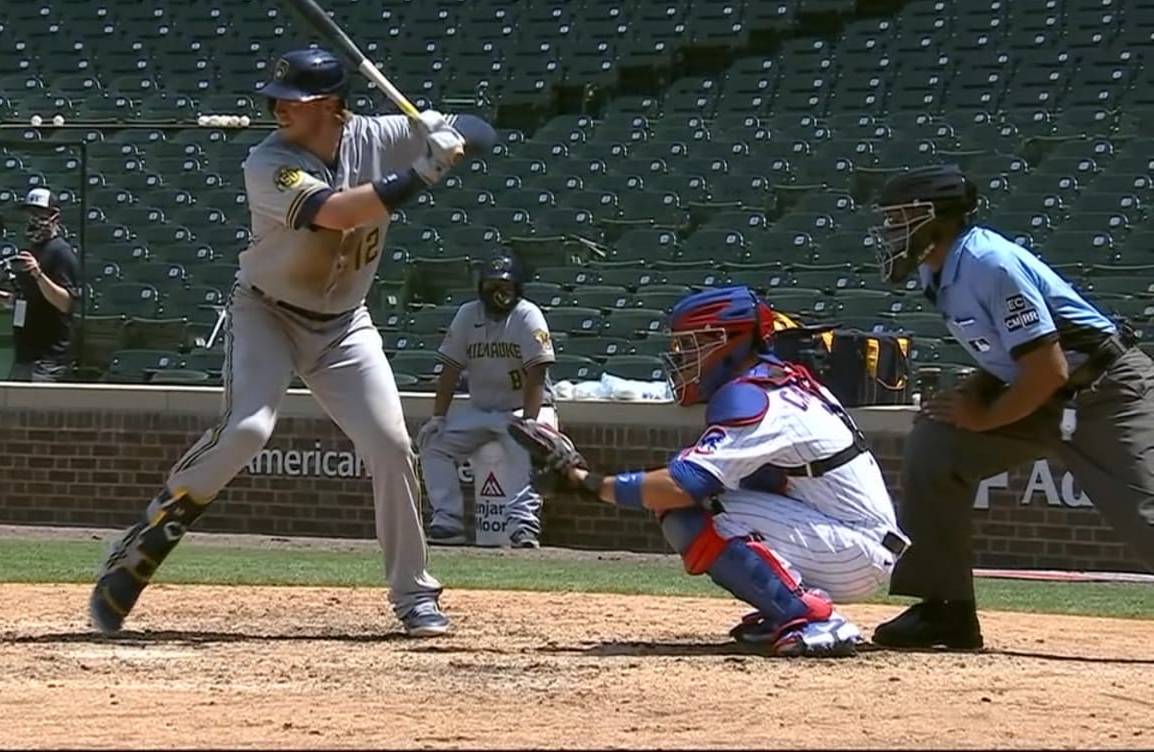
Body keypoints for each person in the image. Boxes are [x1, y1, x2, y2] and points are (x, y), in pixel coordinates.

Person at [87, 47, 497, 637]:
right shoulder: (267, 161)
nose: (277, 107)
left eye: (293, 101)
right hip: (267, 314)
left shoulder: (381, 135)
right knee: (248, 429)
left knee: (389, 444)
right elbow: (336, 213)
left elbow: (482, 130)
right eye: (275, 97)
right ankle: (146, 539)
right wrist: (426, 170)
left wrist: (449, 131)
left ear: (331, 105)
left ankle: (414, 595)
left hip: (344, 324)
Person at [508, 285, 911, 657]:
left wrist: (587, 484)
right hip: (851, 539)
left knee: (692, 510)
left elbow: (682, 486)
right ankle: (785, 605)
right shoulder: (778, 384)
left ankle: (812, 616)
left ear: (727, 342)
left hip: (856, 551)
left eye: (690, 345)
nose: (683, 358)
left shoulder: (758, 397)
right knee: (704, 497)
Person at [865, 163, 1154, 650]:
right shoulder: (939, 270)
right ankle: (945, 610)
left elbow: (1049, 369)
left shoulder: (988, 262)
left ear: (937, 217)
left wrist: (983, 415)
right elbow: (1021, 358)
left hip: (1108, 394)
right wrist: (978, 388)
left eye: (901, 218)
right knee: (937, 445)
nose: (892, 231)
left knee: (1146, 517)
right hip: (1044, 392)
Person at [418, 250, 557, 548]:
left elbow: (538, 374)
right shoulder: (468, 314)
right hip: (482, 410)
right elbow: (450, 370)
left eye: (505, 287)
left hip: (527, 409)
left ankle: (523, 527)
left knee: (526, 449)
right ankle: (448, 521)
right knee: (433, 443)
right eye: (491, 286)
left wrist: (530, 423)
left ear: (517, 288)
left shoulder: (527, 315)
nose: (497, 293)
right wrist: (438, 417)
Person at [0, 187, 81, 383]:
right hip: (25, 355)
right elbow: (27, 300)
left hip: (49, 360)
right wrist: (1, 298)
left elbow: (65, 303)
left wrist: (38, 274)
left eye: (39, 213)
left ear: (54, 217)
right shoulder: (30, 251)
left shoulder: (61, 252)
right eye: (30, 214)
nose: (33, 219)